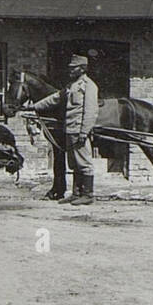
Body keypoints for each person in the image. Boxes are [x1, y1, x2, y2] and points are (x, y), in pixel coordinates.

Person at [32, 55, 99, 205]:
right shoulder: (72, 85)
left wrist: (84, 132)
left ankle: (88, 195)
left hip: (79, 130)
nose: (70, 70)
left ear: (82, 69)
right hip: (69, 129)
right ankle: (76, 193)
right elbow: (55, 98)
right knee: (74, 163)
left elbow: (90, 111)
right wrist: (34, 106)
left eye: (73, 67)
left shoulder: (88, 86)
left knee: (84, 162)